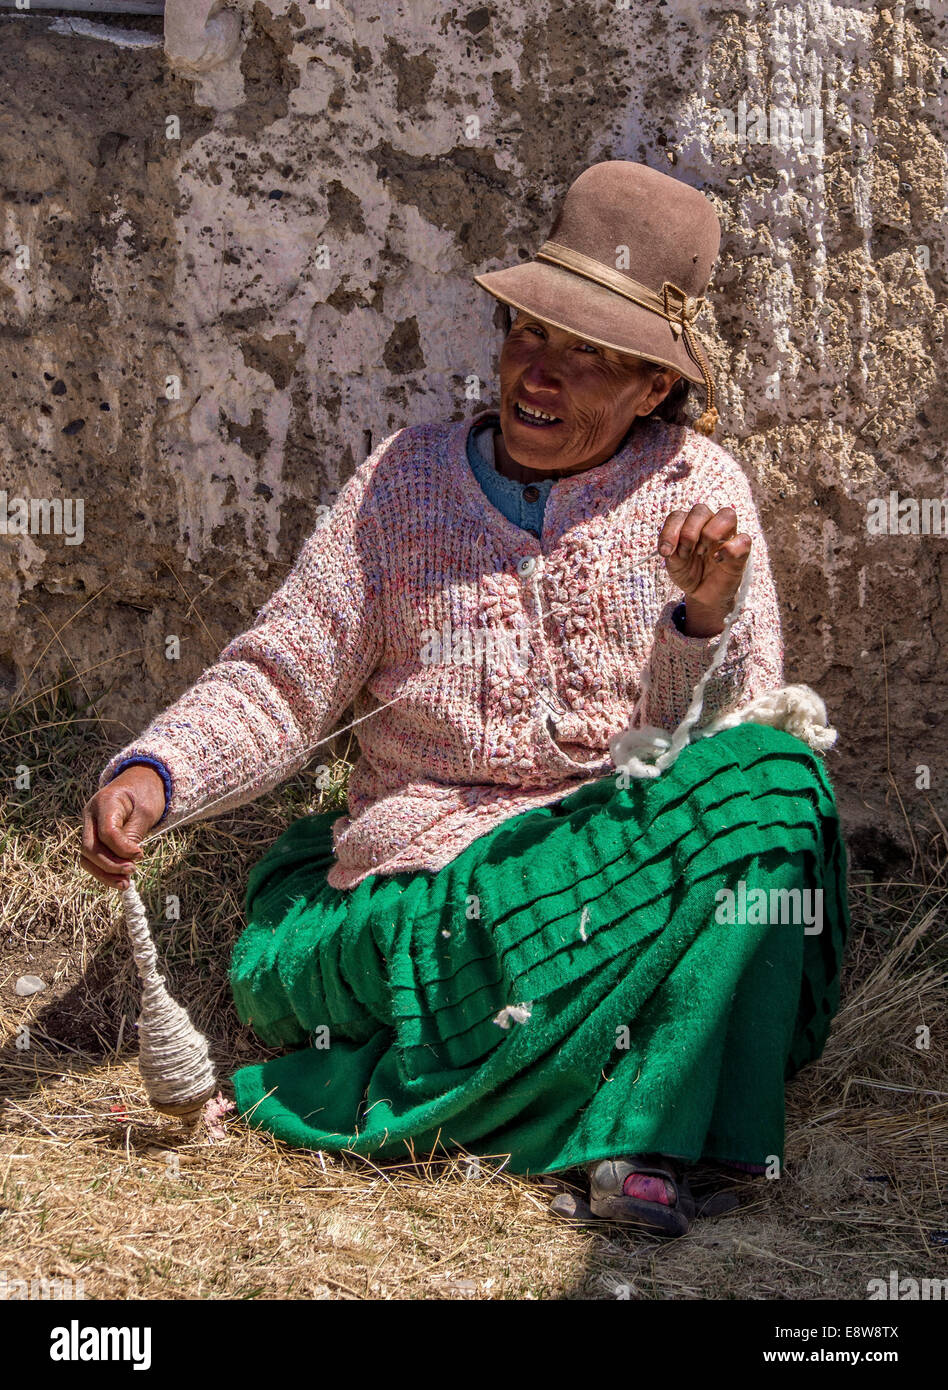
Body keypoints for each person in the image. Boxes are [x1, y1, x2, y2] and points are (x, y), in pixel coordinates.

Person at [80, 161, 850, 1238]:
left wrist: (703, 622)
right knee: (584, 920)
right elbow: (283, 678)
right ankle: (637, 1108)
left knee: (777, 782)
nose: (542, 373)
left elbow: (716, 760)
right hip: (439, 899)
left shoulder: (699, 491)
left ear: (654, 389)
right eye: (531, 334)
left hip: (606, 860)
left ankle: (622, 1114)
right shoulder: (404, 482)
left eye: (592, 357)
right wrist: (157, 774)